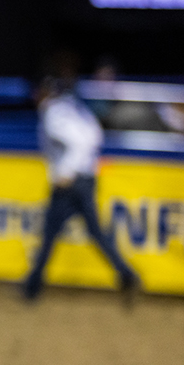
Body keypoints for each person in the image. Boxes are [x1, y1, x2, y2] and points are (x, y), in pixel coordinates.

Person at [22, 74, 139, 302]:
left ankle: (31, 287)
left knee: (49, 233)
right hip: (87, 178)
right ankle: (126, 274)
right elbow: (96, 136)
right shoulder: (75, 108)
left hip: (71, 182)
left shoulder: (54, 112)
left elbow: (79, 143)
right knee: (95, 232)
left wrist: (67, 171)